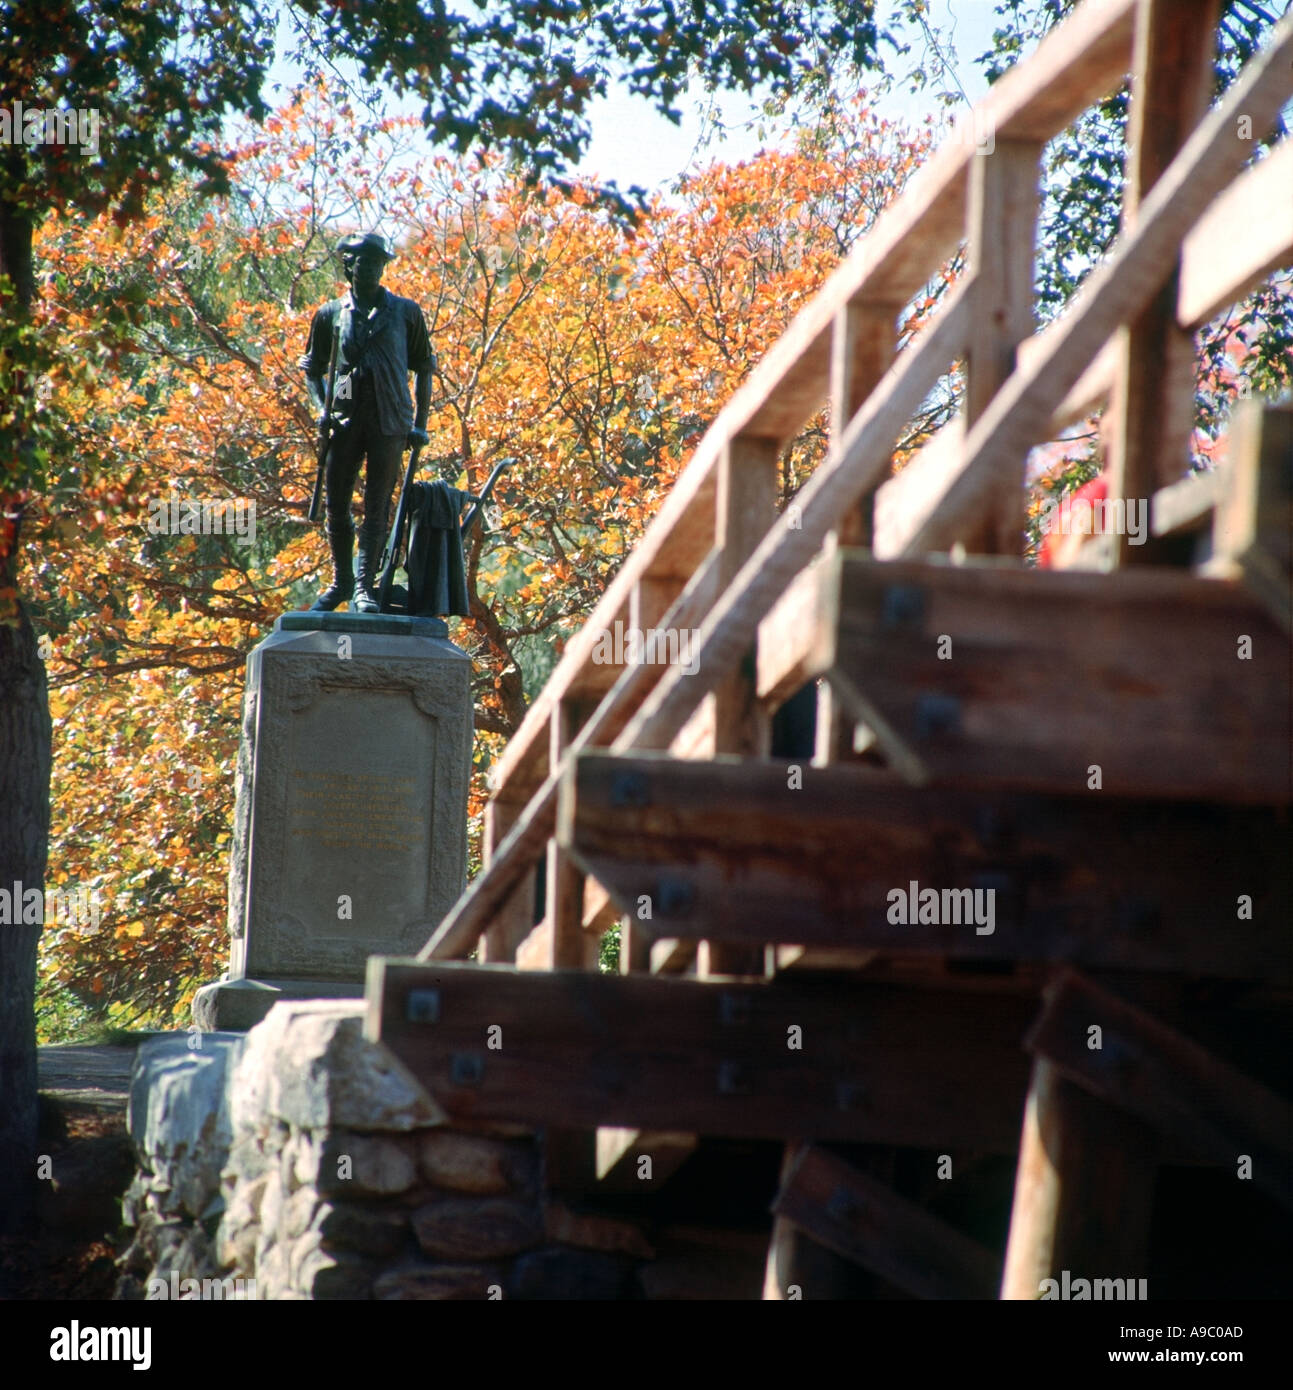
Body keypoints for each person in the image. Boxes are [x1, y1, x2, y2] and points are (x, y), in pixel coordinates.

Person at [300, 232, 435, 611]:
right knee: (336, 505)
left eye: (378, 263)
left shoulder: (406, 312)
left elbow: (425, 367)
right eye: (364, 263)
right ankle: (342, 582)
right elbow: (312, 367)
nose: (373, 269)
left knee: (377, 506)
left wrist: (420, 423)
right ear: (349, 267)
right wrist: (321, 407)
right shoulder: (331, 313)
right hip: (343, 414)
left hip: (391, 418)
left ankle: (363, 586)